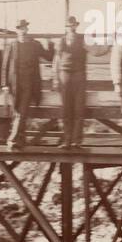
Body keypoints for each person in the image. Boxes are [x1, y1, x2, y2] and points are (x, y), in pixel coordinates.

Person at [2, 20, 51, 150]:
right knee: (17, 112)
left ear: (27, 29)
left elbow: (49, 57)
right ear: (17, 31)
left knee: (21, 112)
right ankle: (21, 140)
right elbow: (5, 67)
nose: (22, 31)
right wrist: (4, 85)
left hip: (30, 84)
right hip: (15, 85)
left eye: (24, 28)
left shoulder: (35, 45)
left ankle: (12, 140)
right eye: (20, 29)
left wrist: (50, 42)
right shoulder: (12, 46)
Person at [53, 15, 89, 148]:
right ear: (66, 27)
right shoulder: (61, 41)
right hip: (65, 75)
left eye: (73, 25)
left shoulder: (83, 39)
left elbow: (95, 51)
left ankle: (77, 141)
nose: (71, 28)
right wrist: (56, 78)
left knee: (79, 109)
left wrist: (108, 45)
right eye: (68, 26)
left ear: (76, 26)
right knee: (66, 109)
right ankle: (67, 140)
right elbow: (56, 60)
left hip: (79, 75)